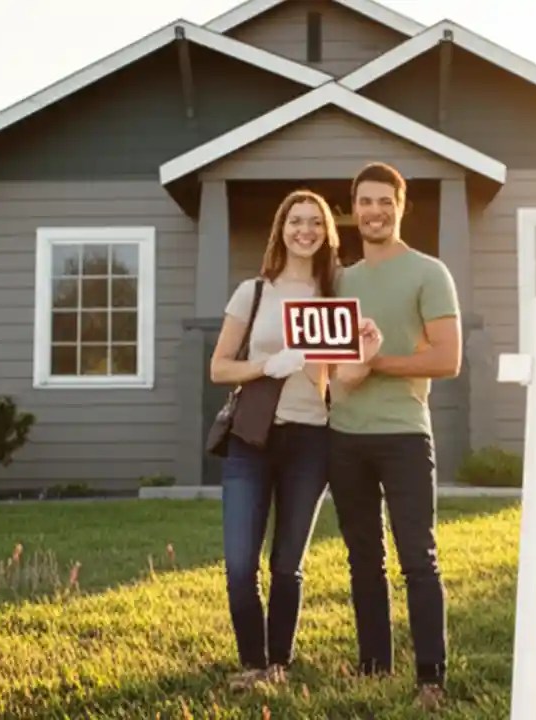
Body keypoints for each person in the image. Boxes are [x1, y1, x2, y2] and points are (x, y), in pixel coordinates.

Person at [328, 162, 462, 711]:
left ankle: (430, 678)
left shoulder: (430, 272)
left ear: (401, 206)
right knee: (363, 558)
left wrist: (374, 360)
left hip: (405, 434)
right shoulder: (339, 280)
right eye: (365, 202)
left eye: (385, 201)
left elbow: (447, 358)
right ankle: (373, 665)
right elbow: (325, 358)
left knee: (417, 558)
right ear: (353, 209)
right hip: (344, 435)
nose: (375, 211)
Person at [209, 189, 341, 690]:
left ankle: (277, 666)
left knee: (287, 563)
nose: (304, 230)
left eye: (315, 222)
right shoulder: (254, 292)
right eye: (295, 221)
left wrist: (350, 352)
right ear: (281, 229)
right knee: (241, 564)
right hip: (252, 439)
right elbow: (220, 367)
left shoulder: (335, 297)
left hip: (312, 441)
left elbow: (344, 379)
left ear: (327, 233)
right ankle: (252, 663)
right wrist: (269, 364)